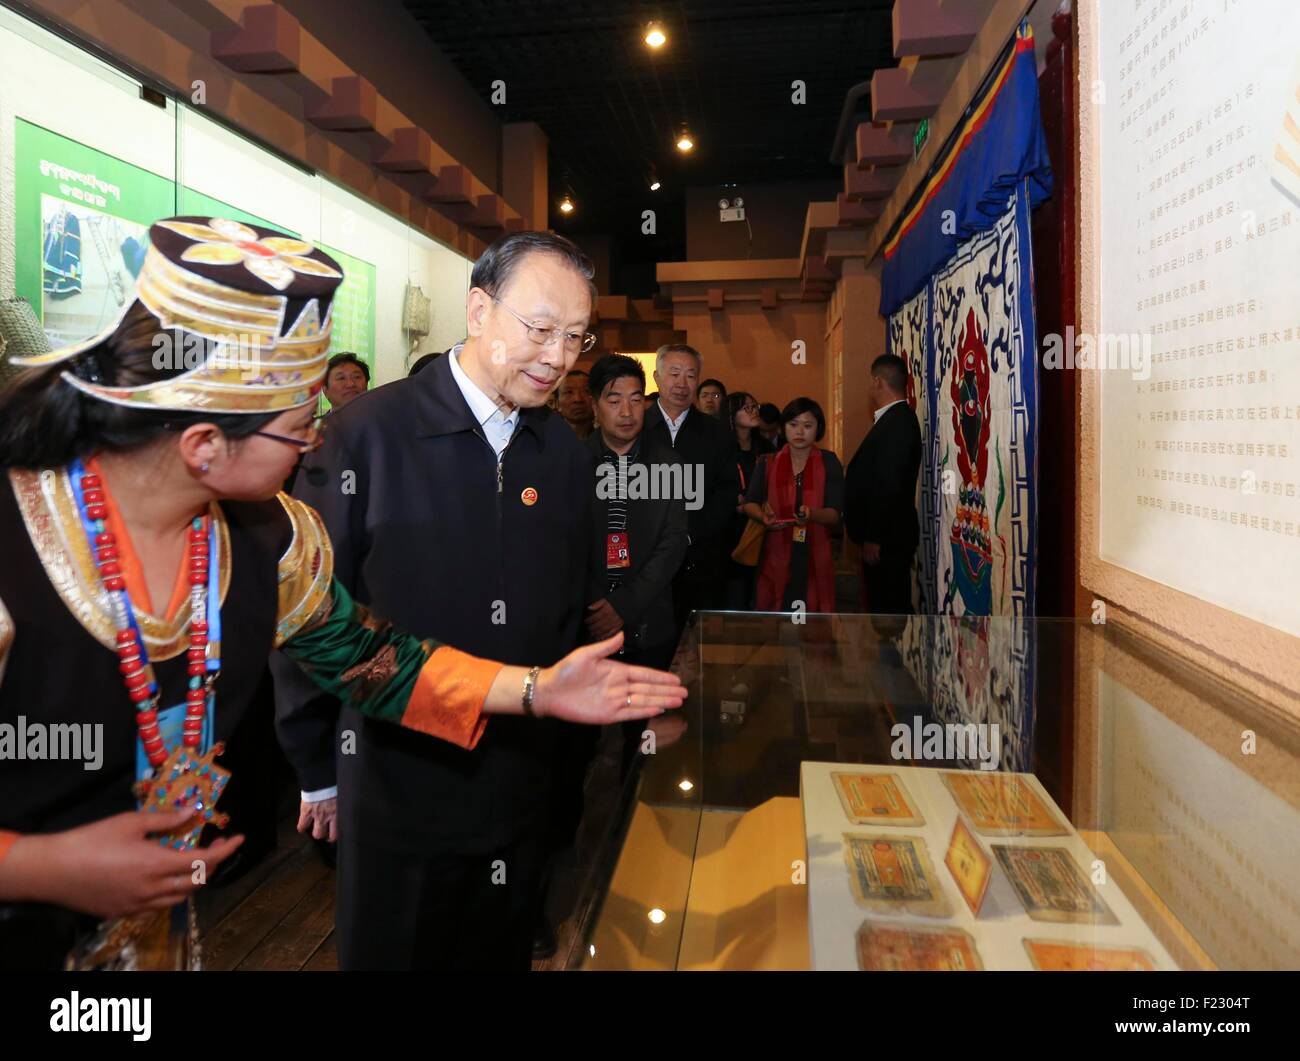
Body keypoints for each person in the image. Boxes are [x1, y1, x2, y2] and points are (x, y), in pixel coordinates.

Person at [0, 217, 685, 971]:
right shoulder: (20, 545)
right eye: (298, 430)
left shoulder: (266, 538)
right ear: (204, 446)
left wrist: (538, 688)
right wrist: (41, 866)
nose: (316, 443)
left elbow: (365, 655)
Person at [271, 230, 618, 971]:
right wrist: (316, 767)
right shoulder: (365, 436)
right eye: (541, 329)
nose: (559, 357)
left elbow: (562, 609)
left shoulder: (561, 452)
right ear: (478, 309)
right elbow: (310, 615)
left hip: (520, 781)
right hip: (396, 782)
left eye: (575, 338)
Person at [585, 354, 688, 772]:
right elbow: (557, 545)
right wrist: (594, 605)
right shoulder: (569, 465)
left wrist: (623, 606)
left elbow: (672, 545)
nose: (627, 412)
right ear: (595, 406)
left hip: (649, 625)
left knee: (643, 746)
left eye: (635, 399)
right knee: (577, 746)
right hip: (584, 627)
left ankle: (632, 829)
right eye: (614, 400)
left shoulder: (668, 465)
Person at [642, 344, 740, 631]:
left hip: (699, 558)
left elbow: (725, 494)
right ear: (657, 378)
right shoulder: (636, 429)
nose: (682, 384)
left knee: (696, 644)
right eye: (674, 374)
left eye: (690, 376)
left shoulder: (717, 434)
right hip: (643, 561)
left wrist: (687, 533)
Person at [742, 397, 844, 613]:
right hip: (775, 551)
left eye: (807, 426)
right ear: (783, 428)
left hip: (814, 550)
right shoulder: (767, 462)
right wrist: (763, 516)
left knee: (813, 624)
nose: (800, 432)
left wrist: (812, 514)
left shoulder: (829, 461)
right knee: (775, 624)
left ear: (818, 429)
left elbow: (836, 513)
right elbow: (750, 503)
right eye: (793, 425)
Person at [844, 353, 922, 619]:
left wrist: (874, 536)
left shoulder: (898, 422)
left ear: (877, 381)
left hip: (888, 539)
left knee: (889, 610)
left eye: (870, 381)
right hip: (886, 537)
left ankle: (893, 660)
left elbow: (889, 483)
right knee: (882, 606)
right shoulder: (891, 420)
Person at [722, 391, 774, 609]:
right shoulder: (721, 447)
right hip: (731, 529)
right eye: (747, 408)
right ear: (732, 415)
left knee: (762, 589)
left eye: (755, 407)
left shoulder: (766, 448)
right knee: (736, 593)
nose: (754, 412)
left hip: (761, 524)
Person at [557, 367, 594, 438]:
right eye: (569, 392)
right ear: (557, 402)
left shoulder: (607, 439)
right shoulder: (546, 439)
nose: (578, 399)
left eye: (586, 391)